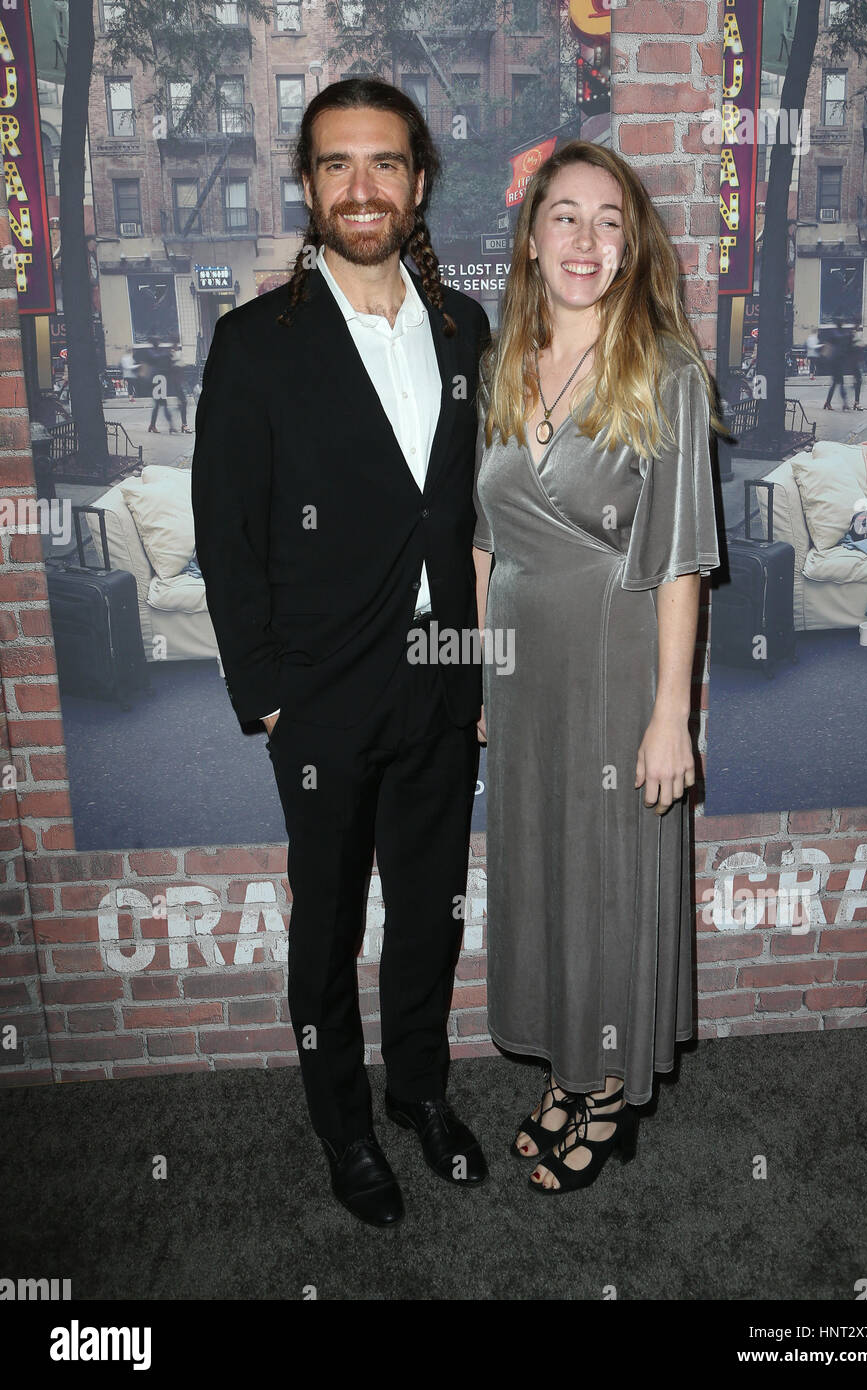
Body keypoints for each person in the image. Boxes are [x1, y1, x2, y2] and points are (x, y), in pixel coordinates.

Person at [192, 79, 490, 1228]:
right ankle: (344, 1125)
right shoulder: (254, 342)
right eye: (335, 165)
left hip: (440, 678)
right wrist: (270, 701)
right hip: (319, 697)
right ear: (308, 187)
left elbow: (467, 517)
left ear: (417, 184)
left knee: (428, 910)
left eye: (383, 164)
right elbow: (228, 536)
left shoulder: (465, 328)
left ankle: (418, 1090)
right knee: (325, 924)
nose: (361, 188)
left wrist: (473, 669)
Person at [472, 141, 725, 1194]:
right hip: (524, 678)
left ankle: (607, 1091)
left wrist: (671, 716)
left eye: (607, 219)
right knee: (548, 870)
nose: (585, 239)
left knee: (611, 879)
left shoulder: (661, 371)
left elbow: (678, 566)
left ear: (631, 244)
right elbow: (483, 536)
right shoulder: (500, 359)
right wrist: (481, 669)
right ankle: (571, 1070)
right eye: (563, 217)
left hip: (618, 665)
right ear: (531, 240)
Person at [147, 335, 178, 433]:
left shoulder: (160, 351)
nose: (159, 342)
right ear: (153, 342)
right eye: (157, 341)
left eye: (159, 341)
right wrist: (168, 352)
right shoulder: (150, 351)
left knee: (161, 404)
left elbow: (166, 361)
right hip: (155, 380)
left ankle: (155, 425)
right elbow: (156, 357)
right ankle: (166, 425)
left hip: (161, 380)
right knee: (159, 404)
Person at [822, 315, 850, 410]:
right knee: (839, 383)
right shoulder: (835, 333)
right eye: (841, 322)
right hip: (835, 362)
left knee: (836, 383)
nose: (843, 323)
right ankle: (843, 403)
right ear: (838, 323)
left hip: (839, 361)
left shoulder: (840, 332)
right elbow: (829, 346)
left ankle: (829, 402)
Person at [167, 342, 192, 432]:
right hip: (177, 383)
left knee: (183, 403)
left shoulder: (177, 354)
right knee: (183, 402)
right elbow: (174, 369)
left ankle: (182, 425)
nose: (177, 346)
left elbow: (182, 367)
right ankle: (183, 425)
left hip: (180, 382)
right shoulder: (172, 356)